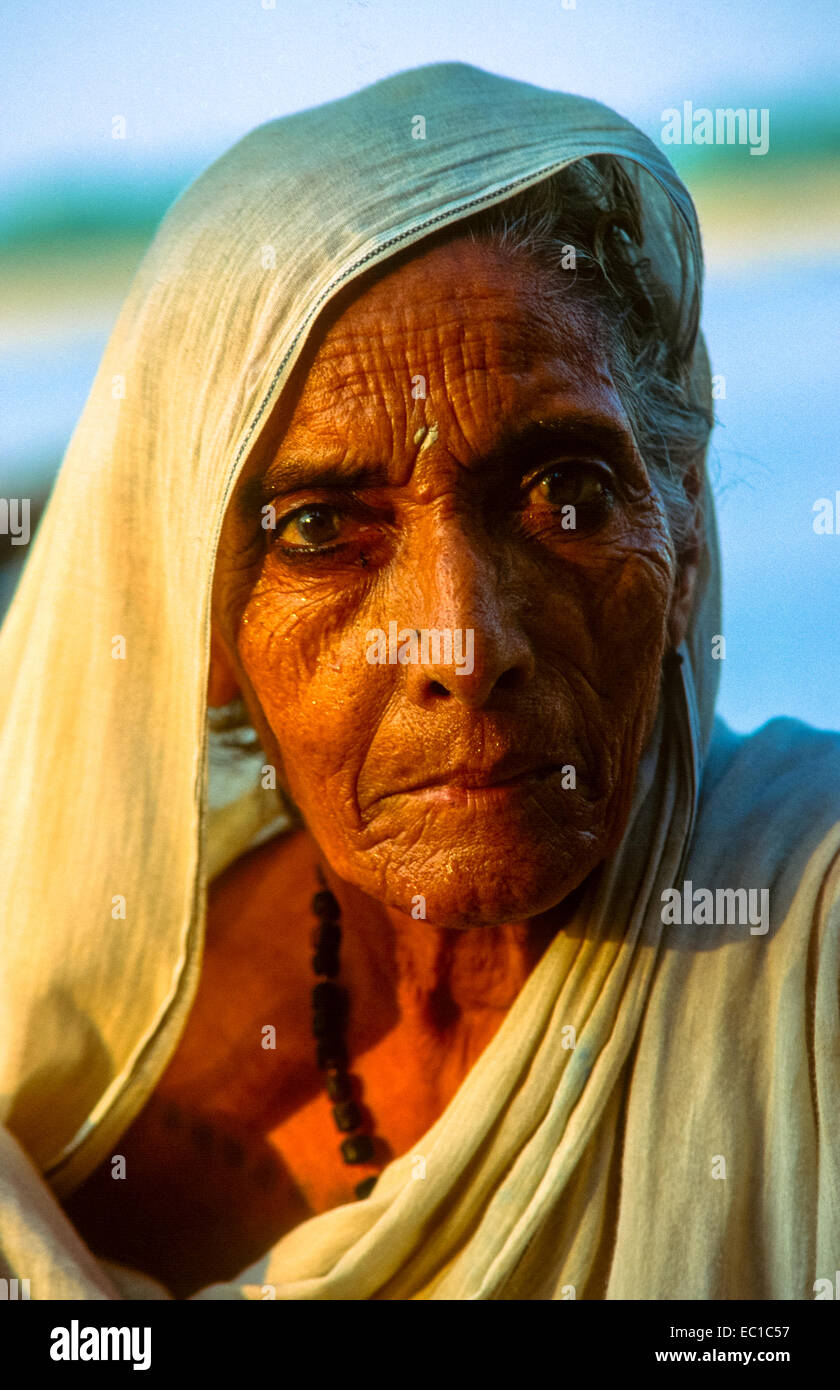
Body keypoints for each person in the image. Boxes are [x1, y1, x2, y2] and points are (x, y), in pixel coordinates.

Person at [0, 62, 838, 1302]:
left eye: (570, 496)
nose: (461, 644)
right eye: (323, 531)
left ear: (686, 538)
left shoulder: (803, 927)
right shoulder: (57, 1021)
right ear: (204, 638)